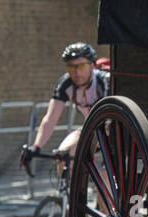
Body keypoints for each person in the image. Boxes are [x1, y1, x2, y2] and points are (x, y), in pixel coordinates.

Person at [20, 42, 110, 175]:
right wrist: (36, 146)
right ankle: (68, 194)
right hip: (91, 132)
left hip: (113, 135)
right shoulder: (66, 84)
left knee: (105, 180)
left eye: (82, 66)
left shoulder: (104, 81)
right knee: (63, 156)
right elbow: (50, 118)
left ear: (92, 65)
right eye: (71, 67)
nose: (77, 72)